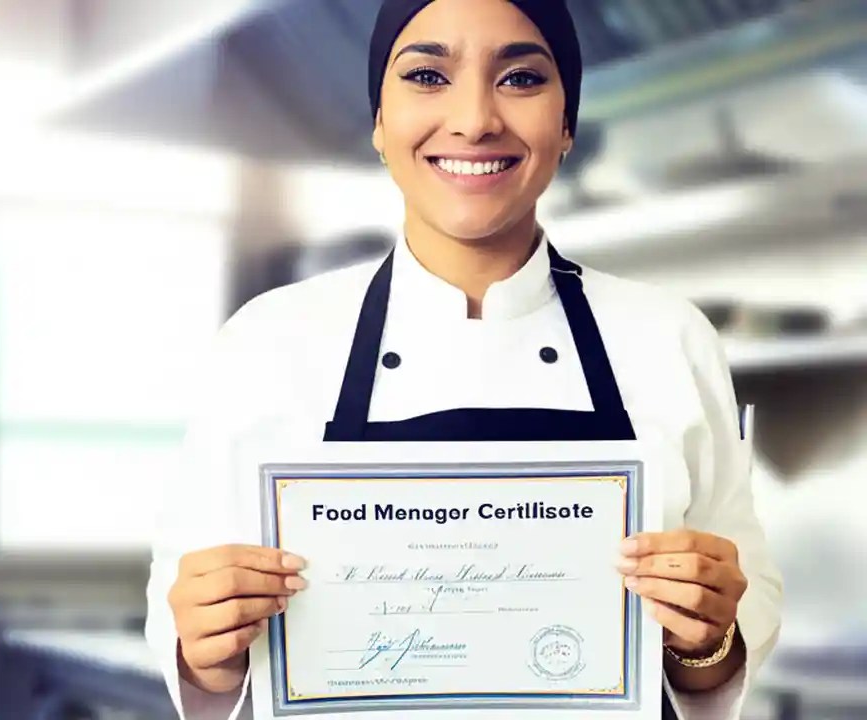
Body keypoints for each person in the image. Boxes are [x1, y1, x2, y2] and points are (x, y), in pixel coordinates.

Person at [145, 0, 783, 718]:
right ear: (380, 122)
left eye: (520, 78)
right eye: (426, 75)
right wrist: (206, 648)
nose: (475, 118)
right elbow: (188, 630)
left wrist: (705, 639)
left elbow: (741, 611)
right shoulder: (265, 343)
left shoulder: (669, 336)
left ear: (567, 124)